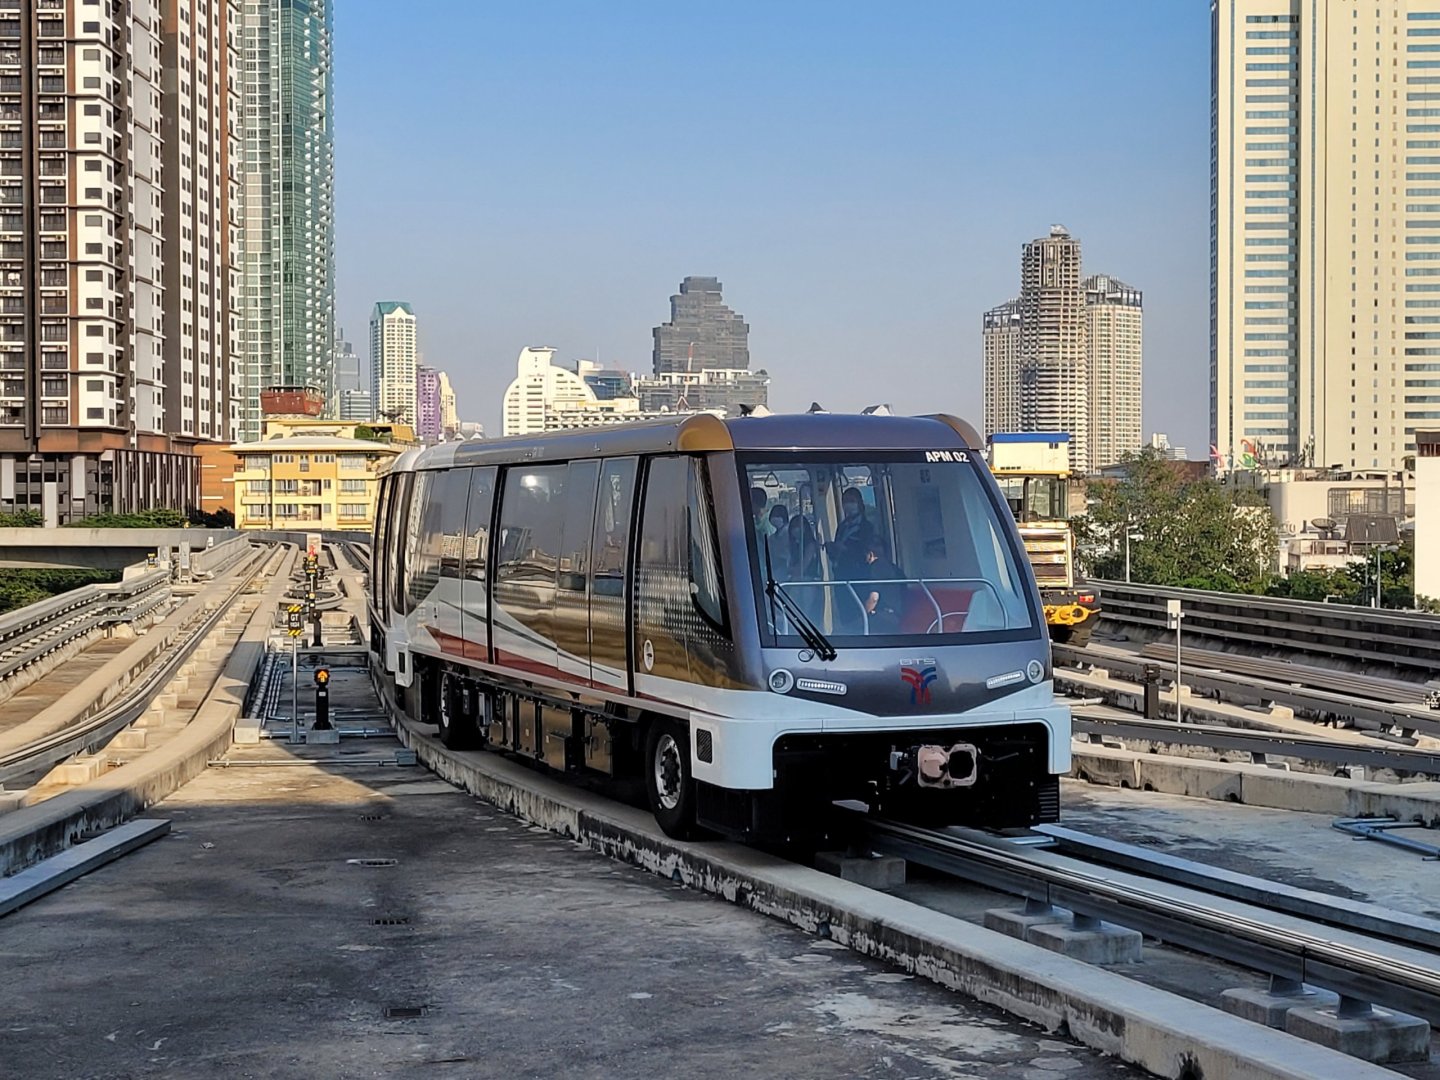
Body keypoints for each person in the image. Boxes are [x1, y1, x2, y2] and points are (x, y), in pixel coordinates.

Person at [828, 487, 877, 578]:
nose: (848, 504)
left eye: (851, 501)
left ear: (859, 502)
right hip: (841, 573)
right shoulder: (842, 527)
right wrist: (832, 548)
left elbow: (867, 551)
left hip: (860, 573)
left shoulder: (866, 526)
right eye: (845, 501)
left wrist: (846, 549)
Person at [860, 540, 903, 634]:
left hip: (883, 617)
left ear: (870, 554)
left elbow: (874, 598)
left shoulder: (876, 566)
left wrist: (863, 614)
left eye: (865, 555)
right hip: (896, 616)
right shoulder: (894, 568)